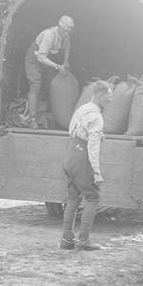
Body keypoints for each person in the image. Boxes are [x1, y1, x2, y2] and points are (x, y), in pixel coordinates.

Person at [60, 80, 112, 250]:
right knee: (92, 197)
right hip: (82, 157)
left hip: (70, 154)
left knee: (73, 198)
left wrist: (94, 136)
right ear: (100, 95)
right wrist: (96, 171)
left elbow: (72, 131)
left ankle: (66, 240)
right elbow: (93, 146)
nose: (110, 100)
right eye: (108, 97)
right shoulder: (97, 117)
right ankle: (83, 240)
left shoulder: (82, 109)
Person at [23, 15, 74, 129]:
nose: (66, 33)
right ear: (59, 26)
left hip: (47, 58)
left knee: (51, 82)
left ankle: (49, 113)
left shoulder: (65, 35)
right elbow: (41, 57)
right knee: (35, 84)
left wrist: (66, 61)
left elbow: (67, 47)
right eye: (65, 30)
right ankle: (32, 119)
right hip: (35, 58)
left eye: (69, 31)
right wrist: (57, 66)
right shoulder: (49, 35)